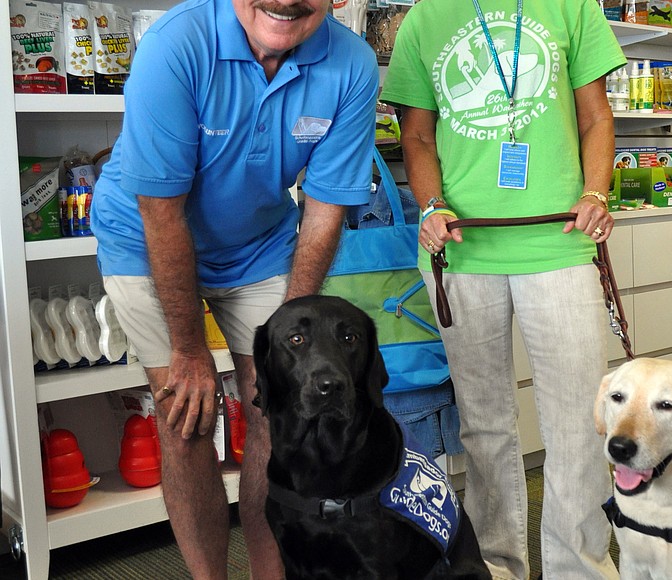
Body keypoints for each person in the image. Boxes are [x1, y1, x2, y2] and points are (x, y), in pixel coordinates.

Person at [90, 1, 379, 578]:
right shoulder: (176, 46)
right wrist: (190, 351)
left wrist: (294, 335)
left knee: (281, 406)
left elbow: (323, 214)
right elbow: (161, 212)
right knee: (186, 411)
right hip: (146, 238)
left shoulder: (352, 65)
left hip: (259, 243)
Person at [380, 1, 626, 578]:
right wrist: (432, 205)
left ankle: (582, 567)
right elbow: (415, 135)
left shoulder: (572, 6)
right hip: (461, 251)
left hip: (559, 241)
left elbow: (596, 117)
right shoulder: (423, 19)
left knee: (579, 421)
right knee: (484, 424)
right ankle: (493, 566)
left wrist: (596, 192)